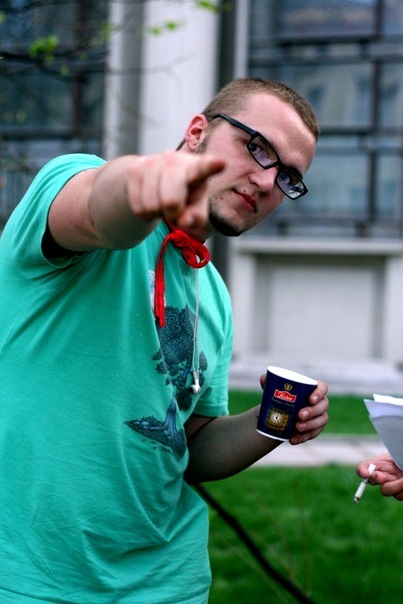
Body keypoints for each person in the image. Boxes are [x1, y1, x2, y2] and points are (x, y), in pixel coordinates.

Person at [0, 77, 329, 603]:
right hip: (33, 578)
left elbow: (189, 444)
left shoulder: (212, 294)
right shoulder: (70, 182)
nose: (268, 181)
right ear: (197, 132)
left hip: (167, 582)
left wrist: (275, 422)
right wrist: (145, 185)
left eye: (289, 176)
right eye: (258, 147)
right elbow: (100, 209)